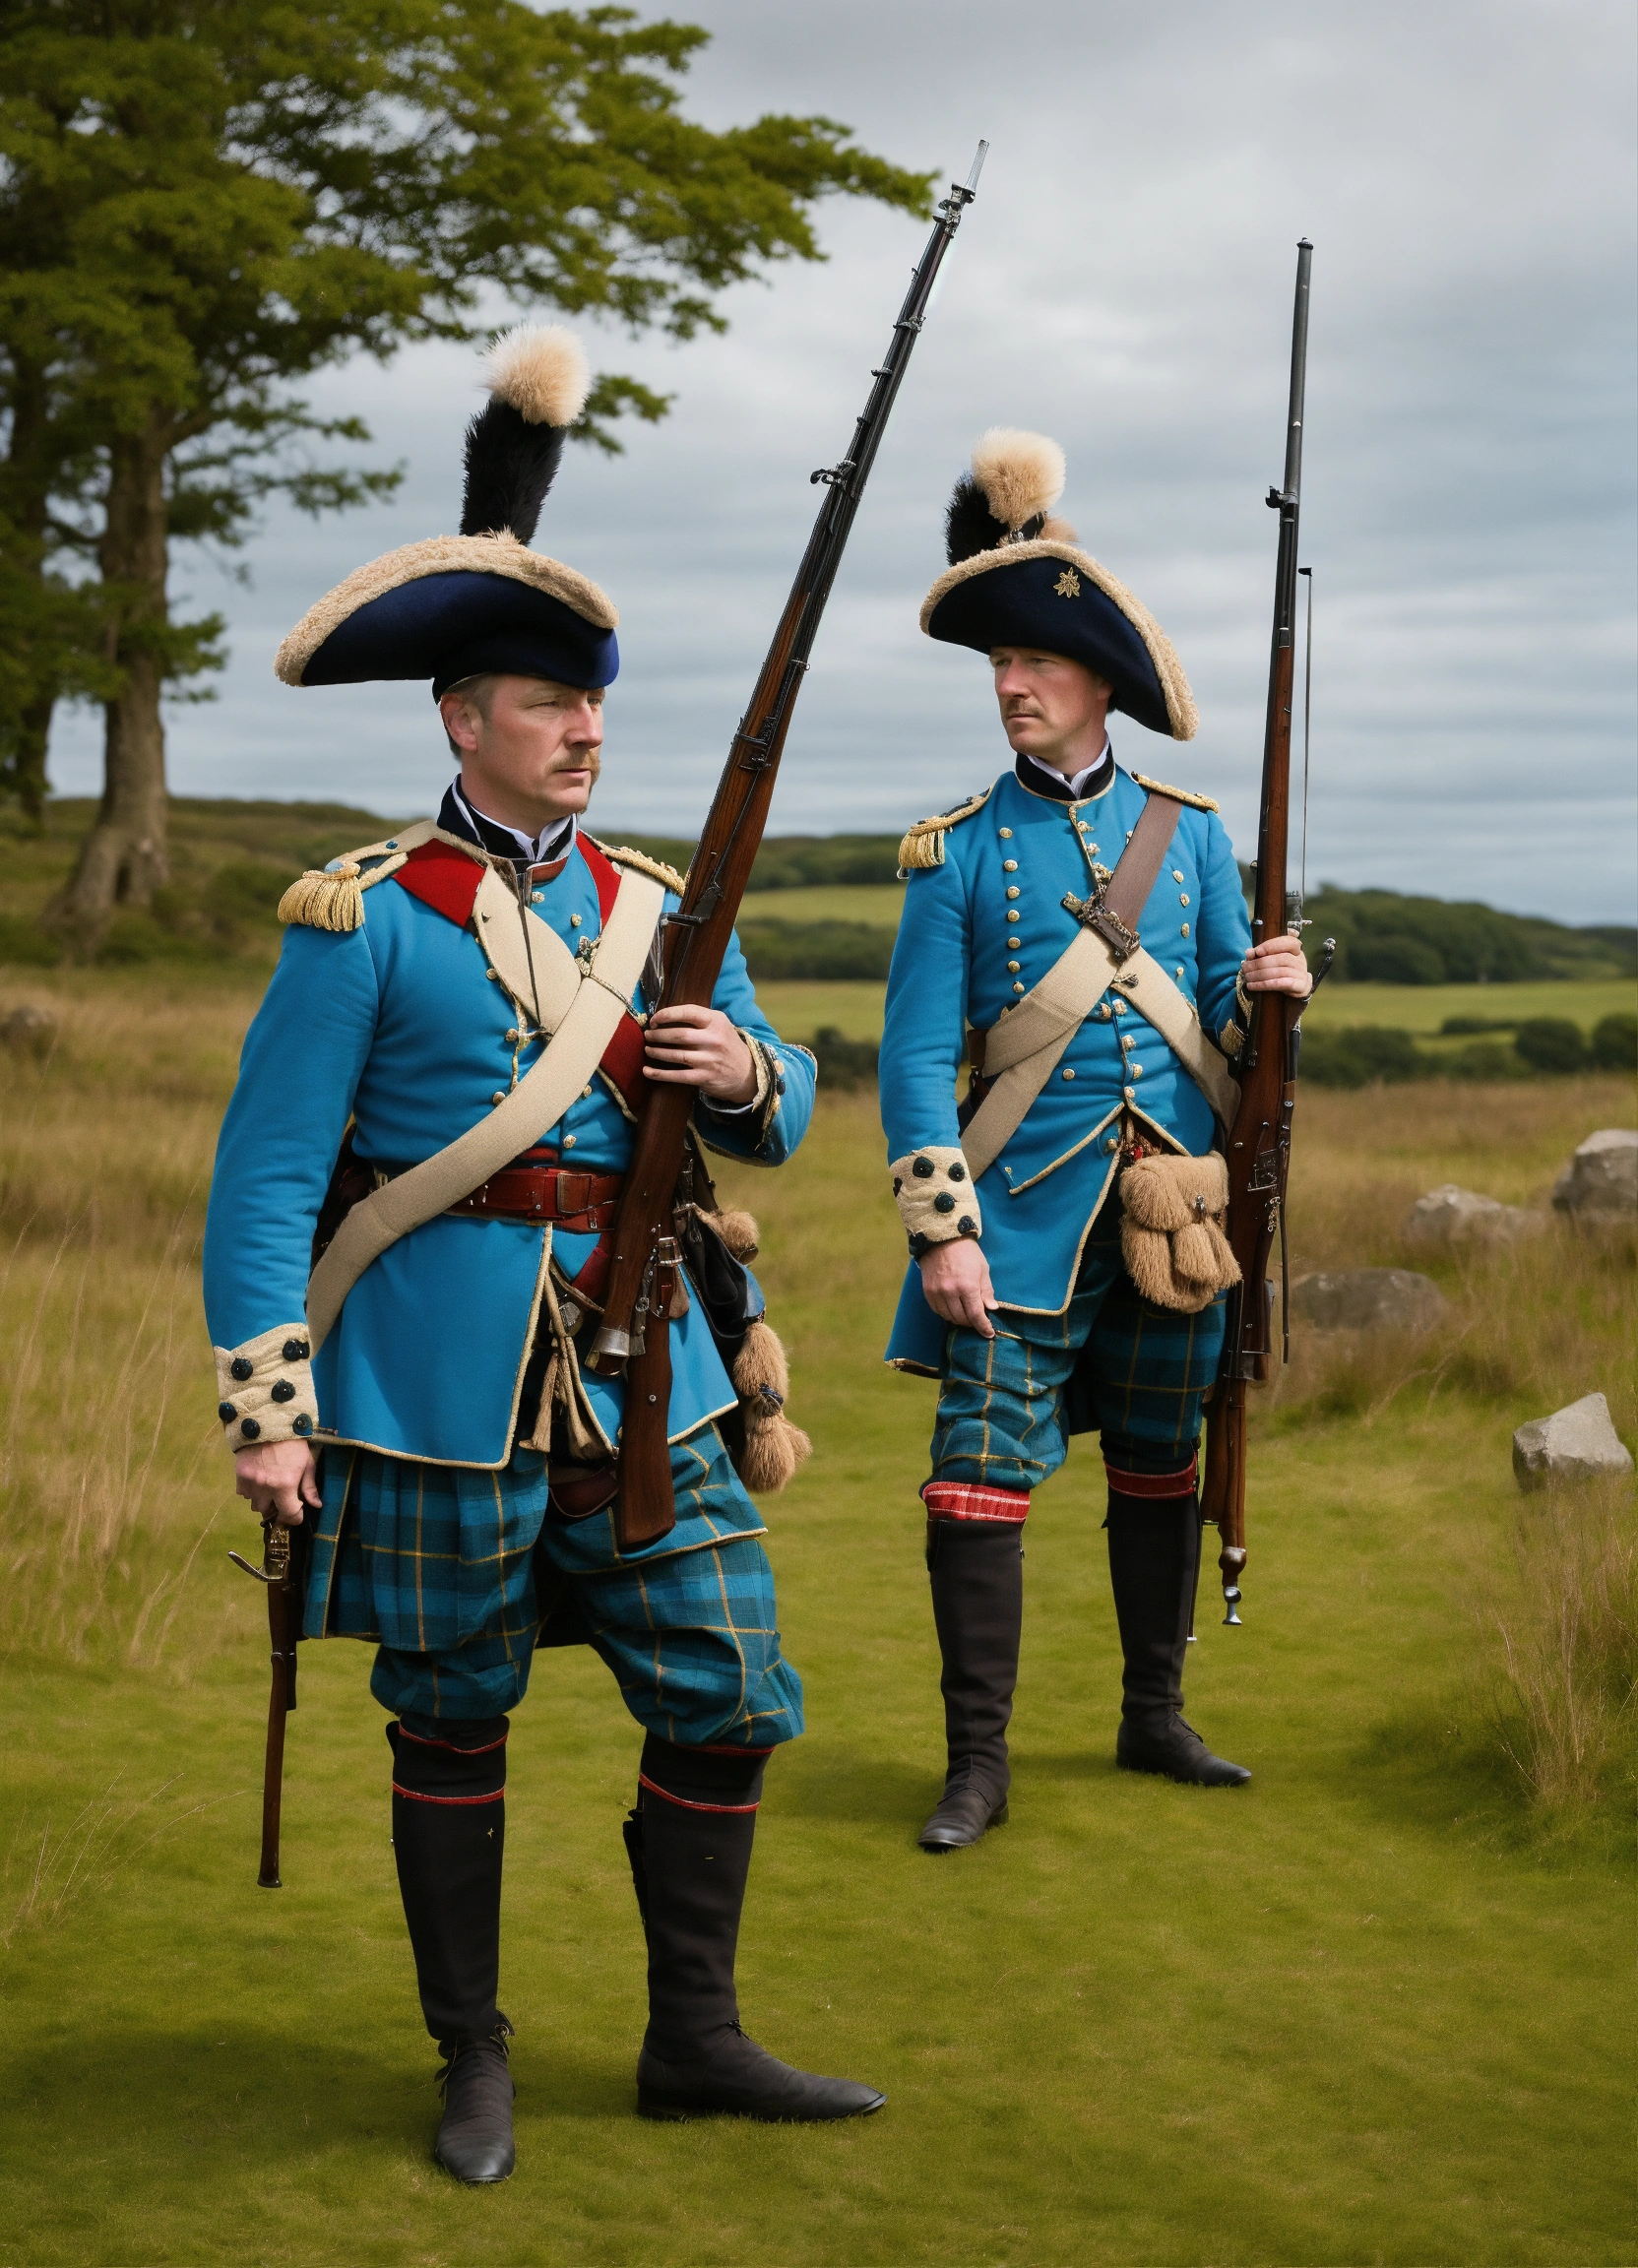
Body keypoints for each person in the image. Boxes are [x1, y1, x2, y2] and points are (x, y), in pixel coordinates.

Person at [204, 325, 884, 2183]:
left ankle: (694, 2039)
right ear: (462, 718)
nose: (588, 733)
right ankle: (474, 2056)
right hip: (427, 1385)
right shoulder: (363, 918)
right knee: (451, 1712)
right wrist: (272, 1411)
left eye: (596, 711)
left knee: (735, 1689)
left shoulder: (666, 908)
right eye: (549, 707)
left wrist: (741, 1061)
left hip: (639, 1373)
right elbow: (266, 1183)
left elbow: (790, 1113)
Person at [878, 428, 1311, 1854]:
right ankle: (978, 1765)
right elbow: (911, 1063)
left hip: (1176, 1217)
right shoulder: (953, 849)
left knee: (1159, 1460)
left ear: (1102, 685)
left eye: (1039, 668)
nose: (1012, 687)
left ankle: (1153, 1714)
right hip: (1016, 1222)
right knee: (976, 1474)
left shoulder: (1186, 837)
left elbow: (1226, 1048)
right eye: (1002, 669)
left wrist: (1275, 1001)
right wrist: (943, 1230)